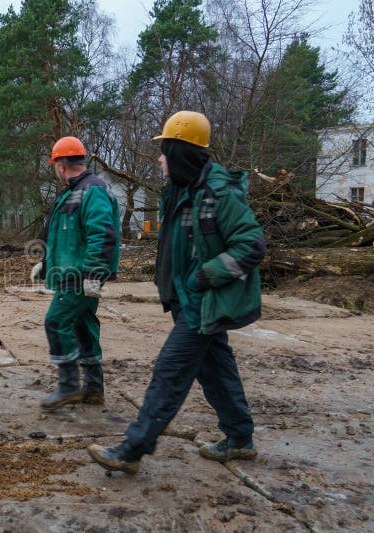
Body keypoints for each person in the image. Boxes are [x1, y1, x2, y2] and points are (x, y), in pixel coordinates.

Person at [86, 111, 266, 474]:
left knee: (169, 373)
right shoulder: (181, 189)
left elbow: (252, 246)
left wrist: (207, 275)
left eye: (164, 151)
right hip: (187, 300)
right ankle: (240, 439)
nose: (159, 158)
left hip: (204, 302)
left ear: (181, 151)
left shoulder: (218, 194)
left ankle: (131, 449)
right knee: (215, 371)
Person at [31, 136, 121, 410]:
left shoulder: (91, 190)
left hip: (80, 276)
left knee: (56, 322)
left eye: (54, 164)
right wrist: (46, 264)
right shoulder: (74, 191)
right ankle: (93, 389)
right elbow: (64, 238)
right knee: (83, 328)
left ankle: (69, 386)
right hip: (73, 273)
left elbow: (101, 233)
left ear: (61, 164)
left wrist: (93, 274)